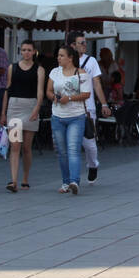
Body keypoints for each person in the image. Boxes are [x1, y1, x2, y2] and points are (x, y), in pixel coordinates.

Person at [47, 42, 92, 194]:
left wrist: (70, 99)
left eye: (61, 55)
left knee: (73, 149)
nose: (58, 58)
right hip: (57, 115)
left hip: (75, 116)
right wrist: (54, 96)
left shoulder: (81, 73)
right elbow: (48, 90)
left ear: (70, 58)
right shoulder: (54, 72)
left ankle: (74, 181)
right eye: (58, 55)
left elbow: (87, 94)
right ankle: (65, 182)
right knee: (61, 151)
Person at [1, 40, 44, 193]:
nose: (26, 52)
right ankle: (13, 180)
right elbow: (8, 89)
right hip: (14, 107)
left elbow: (40, 91)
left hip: (31, 105)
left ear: (34, 52)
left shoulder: (39, 69)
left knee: (26, 147)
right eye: (24, 50)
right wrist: (3, 112)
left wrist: (37, 109)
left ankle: (25, 177)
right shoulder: (12, 67)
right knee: (15, 145)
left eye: (29, 50)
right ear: (21, 51)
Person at [73, 34, 112, 184]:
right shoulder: (66, 61)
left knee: (89, 143)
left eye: (85, 42)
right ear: (73, 45)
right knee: (72, 143)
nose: (84, 45)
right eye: (81, 43)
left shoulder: (91, 61)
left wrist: (103, 104)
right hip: (70, 107)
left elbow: (96, 84)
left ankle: (93, 164)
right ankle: (73, 178)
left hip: (87, 107)